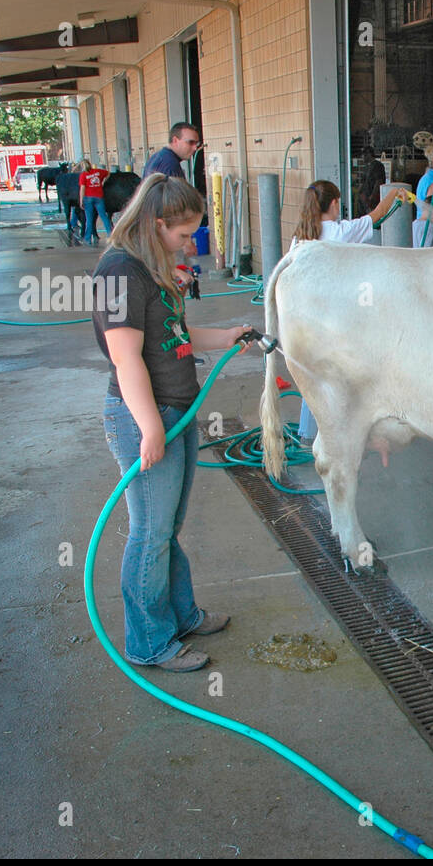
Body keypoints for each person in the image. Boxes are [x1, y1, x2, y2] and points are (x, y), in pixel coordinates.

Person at [91, 172, 257, 672]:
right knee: (150, 530)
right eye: (184, 235)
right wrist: (150, 429)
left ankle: (181, 617)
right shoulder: (120, 272)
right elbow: (127, 360)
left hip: (175, 411)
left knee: (168, 526)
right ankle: (148, 643)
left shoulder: (152, 265)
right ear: (157, 223)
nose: (191, 246)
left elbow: (176, 333)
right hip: (146, 414)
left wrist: (228, 334)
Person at [289, 179, 410, 249]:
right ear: (333, 203)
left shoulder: (300, 236)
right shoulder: (342, 232)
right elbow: (380, 212)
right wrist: (394, 191)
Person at [78, 158, 112, 245]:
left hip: (88, 198)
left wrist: (81, 200)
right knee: (104, 217)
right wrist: (104, 181)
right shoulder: (98, 172)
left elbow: (82, 188)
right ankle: (111, 235)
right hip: (99, 197)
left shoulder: (83, 175)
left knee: (89, 219)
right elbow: (108, 173)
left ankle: (88, 239)